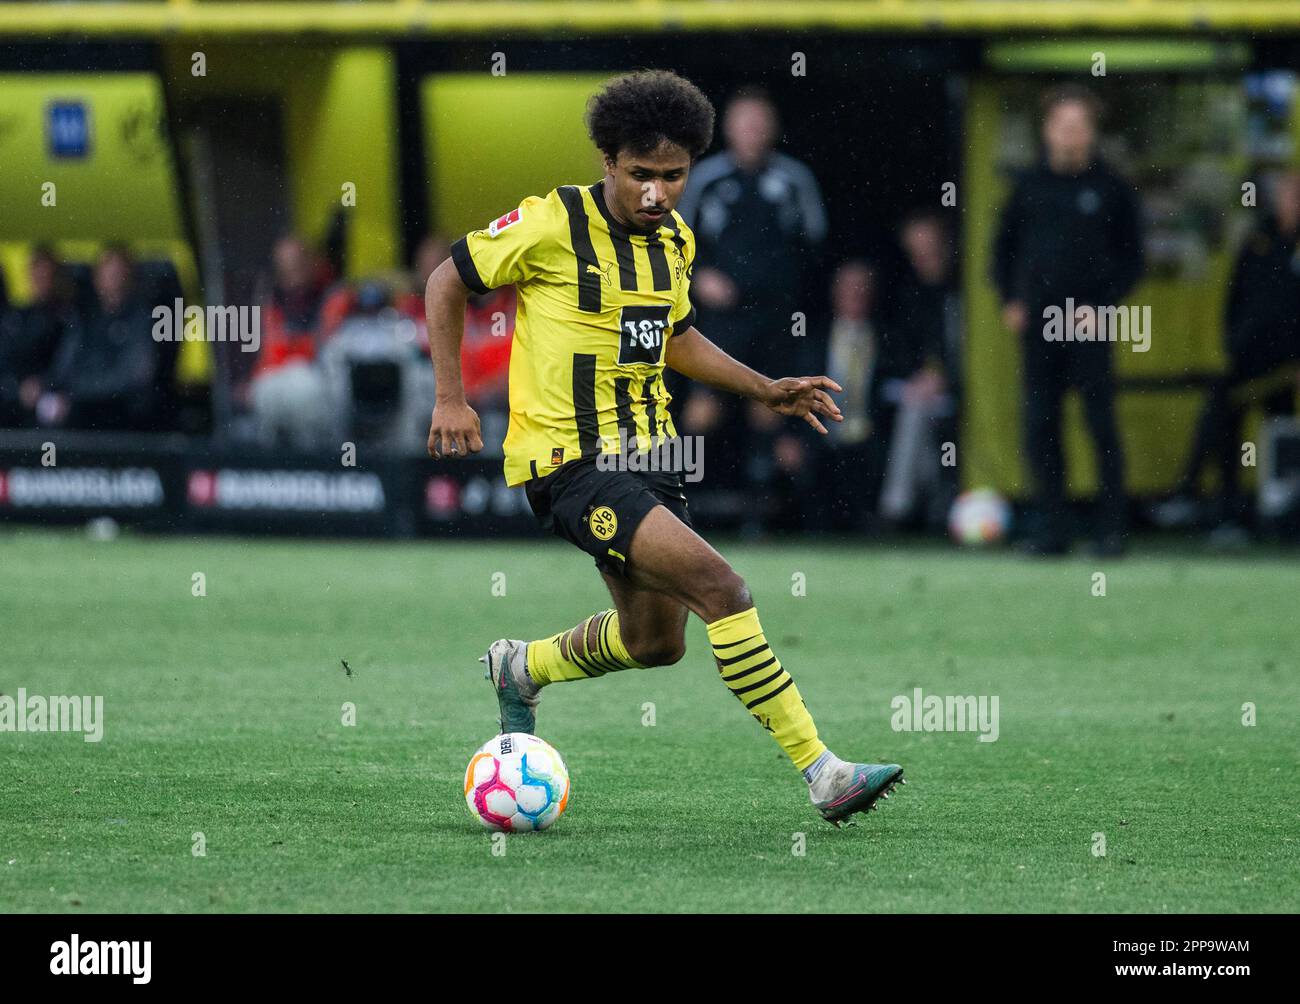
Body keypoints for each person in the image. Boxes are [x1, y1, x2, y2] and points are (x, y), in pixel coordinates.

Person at [424, 70, 903, 826]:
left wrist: (764, 387)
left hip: (654, 458)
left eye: (672, 176)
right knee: (725, 590)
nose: (657, 192)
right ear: (608, 163)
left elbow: (674, 337)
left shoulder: (676, 239)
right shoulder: (551, 223)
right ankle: (824, 771)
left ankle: (521, 667)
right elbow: (447, 281)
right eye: (640, 175)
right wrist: (450, 396)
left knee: (655, 644)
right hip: (571, 463)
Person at [994, 84, 1144, 557]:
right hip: (1039, 324)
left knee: (1100, 423)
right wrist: (1011, 301)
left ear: (1093, 133)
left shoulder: (1113, 189)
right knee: (1041, 424)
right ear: (1047, 132)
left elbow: (1132, 259)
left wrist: (1102, 304)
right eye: (1063, 128)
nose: (1071, 136)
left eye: (1080, 128)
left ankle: (1111, 532)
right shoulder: (1028, 187)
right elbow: (1002, 252)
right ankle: (1052, 531)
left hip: (1091, 324)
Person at [675, 86, 829, 530]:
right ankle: (677, 508)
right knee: (703, 410)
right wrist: (699, 277)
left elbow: (815, 247)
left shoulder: (795, 179)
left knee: (769, 407)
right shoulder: (705, 179)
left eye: (760, 123)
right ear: (728, 128)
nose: (752, 132)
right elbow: (675, 244)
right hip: (721, 320)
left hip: (777, 318)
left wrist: (791, 294)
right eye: (744, 123)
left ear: (773, 129)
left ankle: (759, 515)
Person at [1158, 169, 1300, 540]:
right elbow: (1235, 298)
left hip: (1288, 366)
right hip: (1248, 358)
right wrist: (1232, 341)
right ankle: (1222, 512)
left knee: (1280, 440)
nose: (1291, 200)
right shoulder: (1257, 238)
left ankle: (1279, 521)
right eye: (1287, 192)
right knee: (1225, 428)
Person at [877, 212, 960, 531]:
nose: (925, 261)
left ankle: (898, 508)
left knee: (918, 411)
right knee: (916, 406)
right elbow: (900, 353)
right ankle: (933, 510)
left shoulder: (967, 292)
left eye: (932, 251)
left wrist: (946, 378)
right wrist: (921, 376)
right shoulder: (909, 294)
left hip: (964, 392)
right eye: (917, 254)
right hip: (921, 393)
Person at [40, 245, 157, 431]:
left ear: (131, 276)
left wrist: (78, 394)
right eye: (108, 272)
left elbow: (135, 377)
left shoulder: (142, 318)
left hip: (121, 414)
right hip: (80, 411)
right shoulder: (85, 317)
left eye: (118, 272)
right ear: (96, 277)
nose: (113, 279)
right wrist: (45, 386)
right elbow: (65, 364)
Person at [0, 247, 71, 428]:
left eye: (47, 276)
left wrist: (45, 383)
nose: (41, 281)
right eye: (37, 275)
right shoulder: (17, 317)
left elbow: (69, 361)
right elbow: (7, 358)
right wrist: (17, 388)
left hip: (55, 392)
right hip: (16, 394)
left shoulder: (69, 318)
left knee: (52, 409)